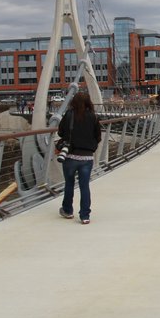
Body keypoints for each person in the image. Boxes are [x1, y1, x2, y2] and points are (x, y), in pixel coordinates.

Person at [57, 91, 102, 225]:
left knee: (69, 183)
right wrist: (91, 147)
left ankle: (68, 210)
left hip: (70, 155)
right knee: (84, 186)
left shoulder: (69, 115)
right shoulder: (93, 117)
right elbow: (98, 136)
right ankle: (85, 215)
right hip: (86, 158)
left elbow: (60, 132)